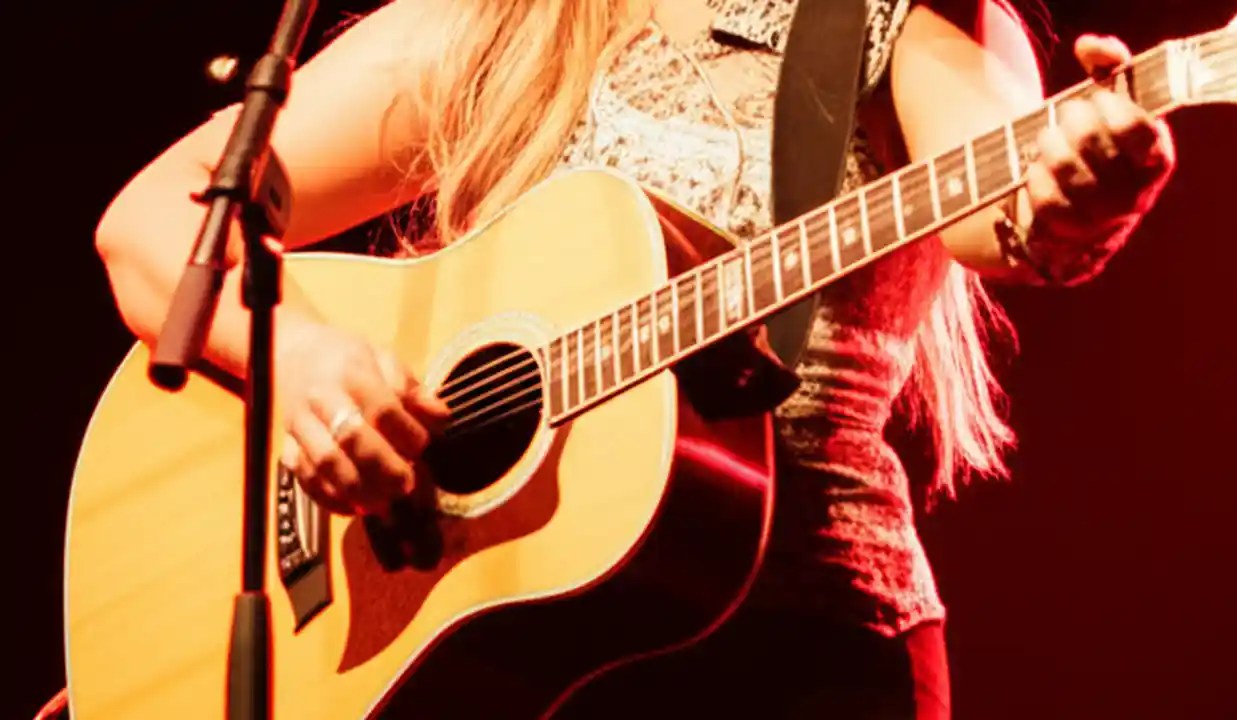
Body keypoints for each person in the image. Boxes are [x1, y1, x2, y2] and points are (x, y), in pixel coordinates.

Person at [93, 0, 1176, 717]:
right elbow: (151, 226)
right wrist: (302, 360)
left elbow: (1003, 209)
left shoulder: (913, 16)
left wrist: (1073, 189)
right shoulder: (505, 21)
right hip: (494, 655)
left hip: (796, 655)